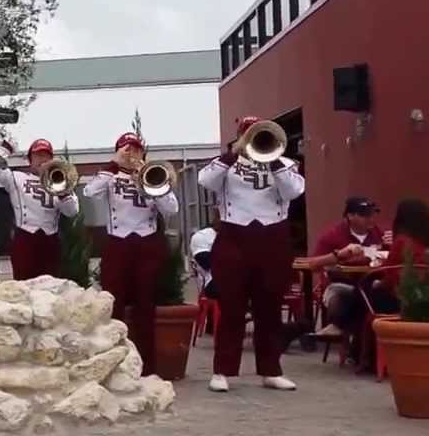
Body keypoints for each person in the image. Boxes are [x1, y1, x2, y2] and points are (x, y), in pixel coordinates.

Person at [197, 116, 305, 393]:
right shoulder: (226, 165)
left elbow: (294, 191)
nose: (254, 139)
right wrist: (233, 154)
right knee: (232, 307)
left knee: (269, 308)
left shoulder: (285, 164)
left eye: (259, 134)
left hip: (273, 237)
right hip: (234, 237)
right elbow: (205, 181)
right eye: (249, 134)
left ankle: (271, 370)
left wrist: (274, 159)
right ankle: (222, 371)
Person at [83, 133, 180, 377]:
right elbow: (89, 193)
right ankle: (113, 364)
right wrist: (113, 165)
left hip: (147, 244)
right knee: (113, 306)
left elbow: (172, 208)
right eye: (126, 150)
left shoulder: (153, 175)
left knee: (145, 308)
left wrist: (153, 184)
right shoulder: (109, 176)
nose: (132, 154)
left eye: (136, 150)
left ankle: (147, 368)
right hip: (117, 243)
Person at [0, 139, 80, 281]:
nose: (42, 159)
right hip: (25, 238)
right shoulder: (17, 178)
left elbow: (72, 211)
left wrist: (62, 191)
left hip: (50, 241)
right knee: (24, 286)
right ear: (30, 160)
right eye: (37, 155)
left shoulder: (62, 181)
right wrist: (6, 148)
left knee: (50, 286)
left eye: (45, 155)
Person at [312, 197, 389, 365]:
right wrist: (339, 255)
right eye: (365, 215)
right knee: (342, 295)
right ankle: (356, 347)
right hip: (341, 283)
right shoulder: (333, 235)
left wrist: (391, 246)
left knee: (379, 292)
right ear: (350, 216)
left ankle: (354, 342)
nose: (371, 219)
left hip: (371, 283)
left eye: (372, 214)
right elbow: (314, 264)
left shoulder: (380, 234)